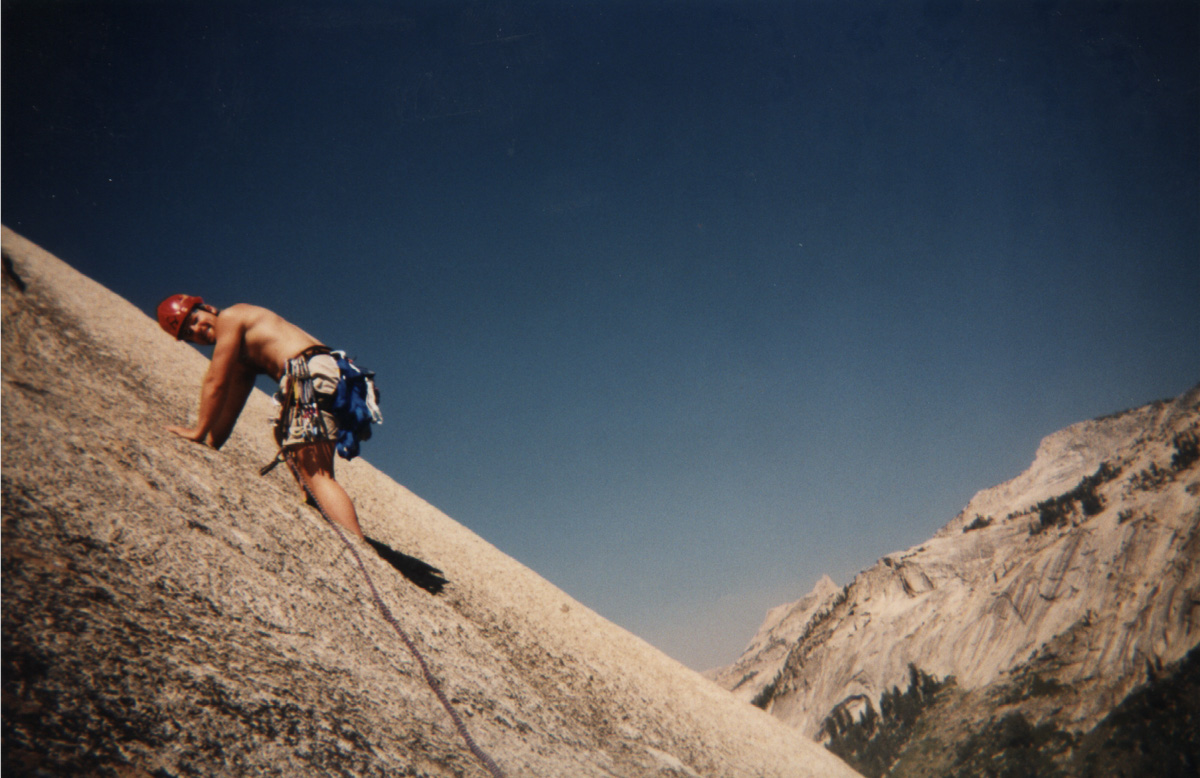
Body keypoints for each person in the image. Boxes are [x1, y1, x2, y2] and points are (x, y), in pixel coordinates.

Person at [156, 294, 365, 539]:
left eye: (194, 320)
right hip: (322, 373)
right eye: (188, 333)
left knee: (318, 474)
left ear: (208, 308)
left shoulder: (231, 317)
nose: (196, 330)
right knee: (289, 440)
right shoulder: (243, 358)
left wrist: (198, 431)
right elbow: (232, 406)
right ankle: (321, 509)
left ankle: (357, 547)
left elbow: (216, 381)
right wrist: (212, 443)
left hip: (308, 374)